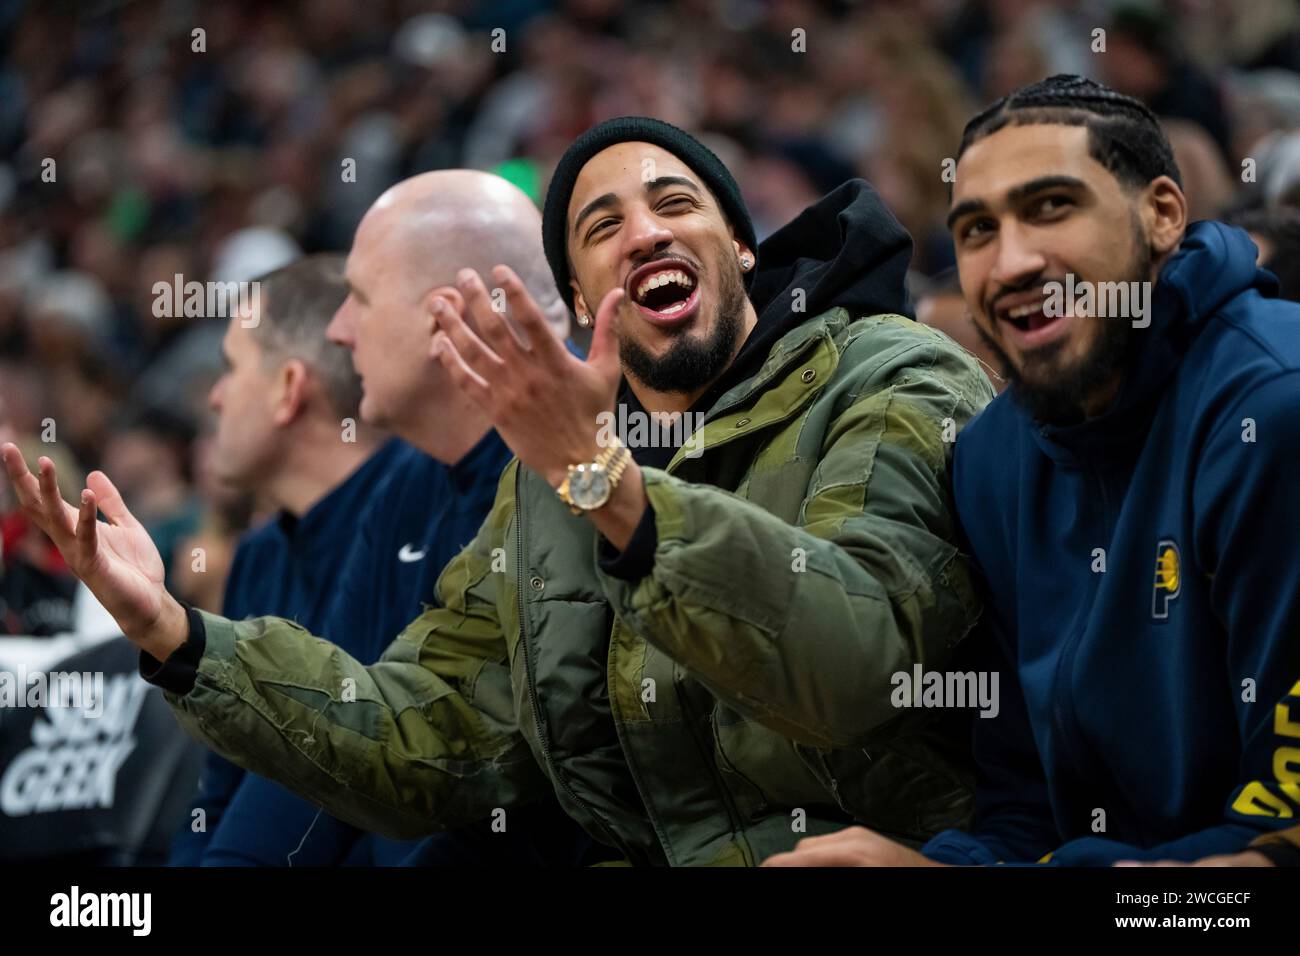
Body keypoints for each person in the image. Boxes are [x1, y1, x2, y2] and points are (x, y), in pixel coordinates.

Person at [2, 118, 993, 866]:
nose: (643, 232)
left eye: (675, 202)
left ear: (742, 245)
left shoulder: (892, 376)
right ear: (577, 291)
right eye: (602, 225)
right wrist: (178, 634)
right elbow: (428, 736)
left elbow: (857, 654)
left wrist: (609, 488)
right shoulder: (544, 479)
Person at [765, 75, 1300, 868]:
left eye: (1052, 206)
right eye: (978, 229)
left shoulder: (1274, 410)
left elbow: (1266, 856)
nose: (1011, 261)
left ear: (1162, 214)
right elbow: (1023, 805)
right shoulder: (992, 458)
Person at [168, 253, 406, 866]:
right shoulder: (257, 557)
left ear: (290, 389)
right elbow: (223, 786)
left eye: (230, 367)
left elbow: (342, 773)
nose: (215, 397)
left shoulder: (418, 511)